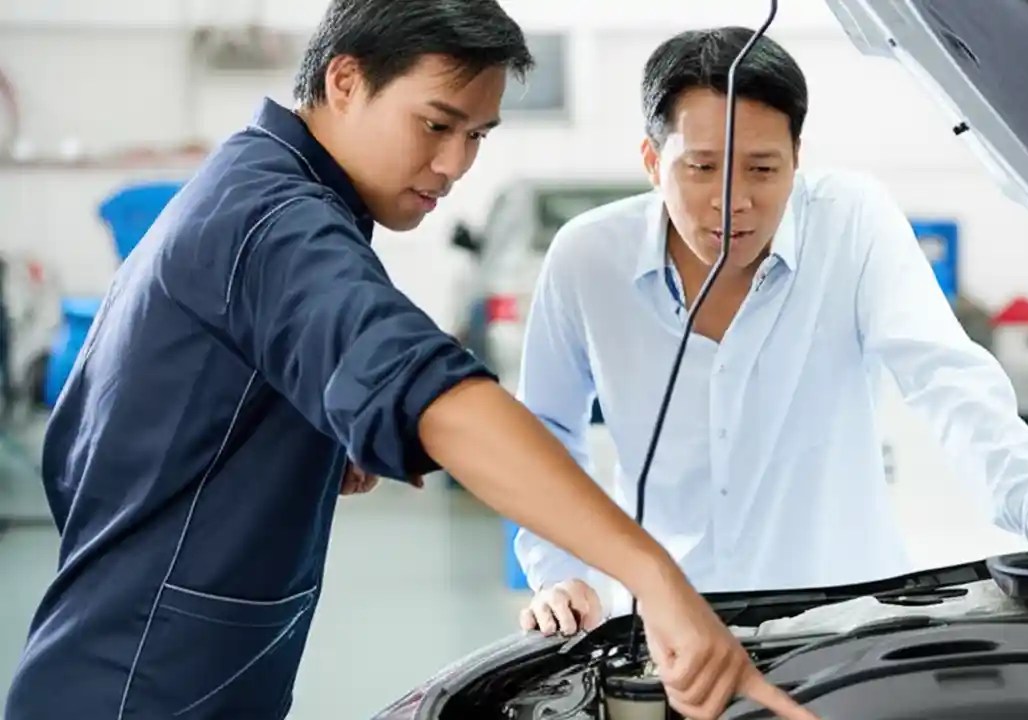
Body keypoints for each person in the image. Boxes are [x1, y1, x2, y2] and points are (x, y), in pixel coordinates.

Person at [3, 4, 818, 720]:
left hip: (166, 670)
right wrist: (655, 575)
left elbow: (108, 438)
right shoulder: (273, 221)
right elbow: (438, 393)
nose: (457, 165)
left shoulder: (269, 189)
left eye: (477, 136)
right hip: (132, 693)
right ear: (347, 79)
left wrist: (308, 438)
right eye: (436, 124)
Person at [515, 27, 1028, 635]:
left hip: (846, 624)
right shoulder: (586, 258)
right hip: (665, 626)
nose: (733, 202)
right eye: (701, 167)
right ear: (652, 162)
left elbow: (949, 383)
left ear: (797, 158)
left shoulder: (852, 223)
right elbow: (544, 428)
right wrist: (558, 571)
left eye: (762, 168)